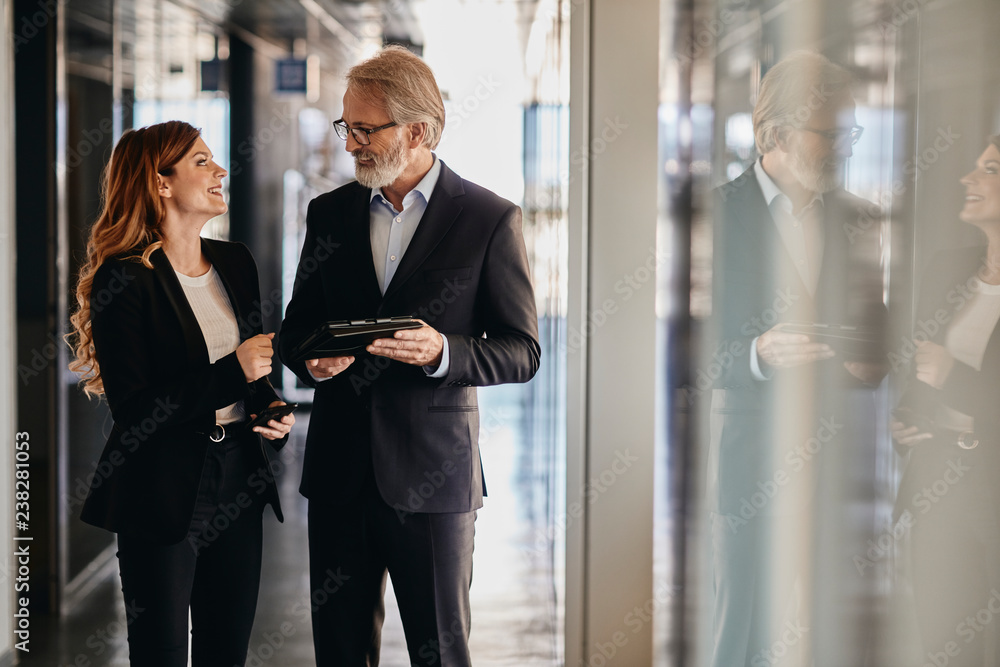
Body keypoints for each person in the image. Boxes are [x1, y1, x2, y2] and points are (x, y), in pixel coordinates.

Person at [278, 45, 540, 666]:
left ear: (418, 131)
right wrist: (309, 361)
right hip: (340, 475)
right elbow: (294, 331)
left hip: (434, 478)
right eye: (347, 127)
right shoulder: (329, 215)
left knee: (441, 652)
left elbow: (522, 351)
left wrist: (444, 352)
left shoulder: (487, 218)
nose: (350, 145)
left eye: (365, 130)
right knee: (338, 653)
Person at [67, 120, 295, 666]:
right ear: (161, 182)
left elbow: (252, 372)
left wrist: (270, 409)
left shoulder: (235, 261)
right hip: (159, 488)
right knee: (161, 654)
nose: (220, 171)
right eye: (201, 161)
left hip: (240, 472)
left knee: (226, 651)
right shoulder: (123, 278)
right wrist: (233, 373)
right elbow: (136, 409)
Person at [704, 51, 887, 666]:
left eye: (850, 132)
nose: (845, 147)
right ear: (775, 133)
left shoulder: (862, 220)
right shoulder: (713, 215)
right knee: (744, 632)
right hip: (751, 464)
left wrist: (876, 360)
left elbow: (877, 334)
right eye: (830, 134)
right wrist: (756, 354)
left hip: (843, 465)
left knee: (838, 634)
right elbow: (688, 358)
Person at [891, 136, 1000, 667]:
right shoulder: (949, 268)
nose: (969, 178)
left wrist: (954, 379)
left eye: (990, 169)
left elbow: (944, 373)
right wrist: (907, 417)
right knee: (943, 646)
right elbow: (919, 370)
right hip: (940, 478)